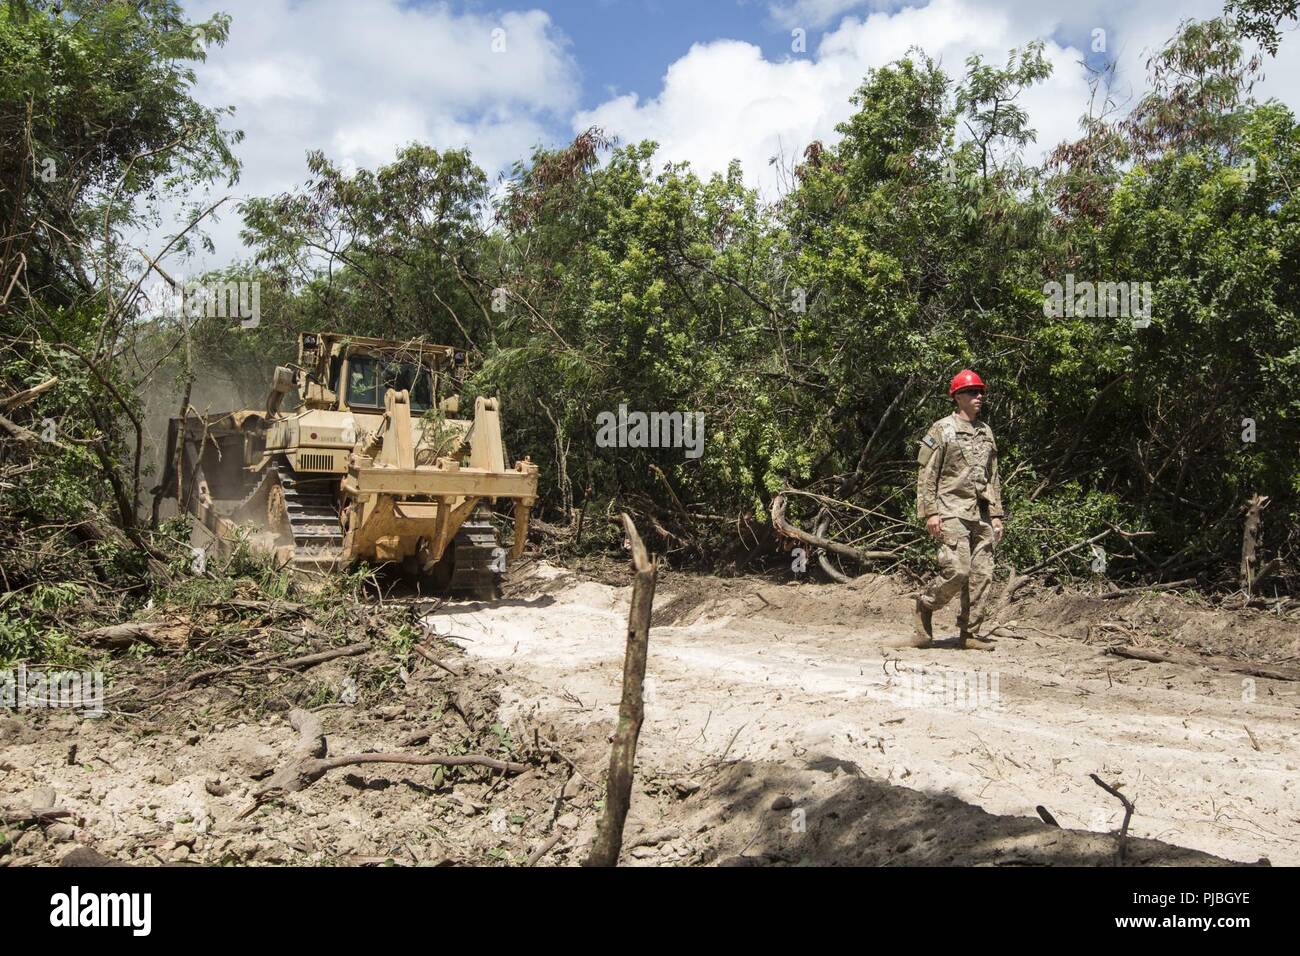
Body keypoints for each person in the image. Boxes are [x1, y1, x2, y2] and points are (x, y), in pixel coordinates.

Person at [891, 369, 1004, 651]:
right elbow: (927, 474)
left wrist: (998, 514)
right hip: (951, 510)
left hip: (981, 513)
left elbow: (994, 476)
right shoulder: (942, 429)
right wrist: (930, 512)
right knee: (958, 570)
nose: (979, 396)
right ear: (957, 397)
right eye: (972, 392)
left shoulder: (986, 432)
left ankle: (970, 634)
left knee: (982, 574)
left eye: (981, 392)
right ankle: (924, 609)